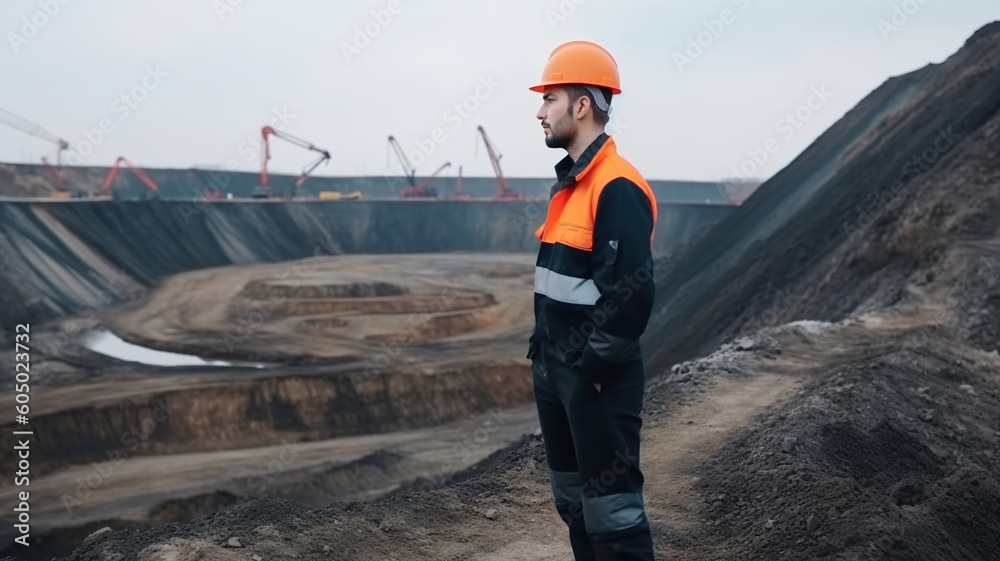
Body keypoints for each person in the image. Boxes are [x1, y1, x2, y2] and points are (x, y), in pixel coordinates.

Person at [527, 40, 658, 561]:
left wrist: (593, 366)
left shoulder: (616, 186)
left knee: (614, 517)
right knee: (576, 505)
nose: (539, 111)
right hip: (558, 371)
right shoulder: (572, 184)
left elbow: (631, 296)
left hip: (595, 379)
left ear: (582, 106)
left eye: (550, 99)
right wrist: (546, 356)